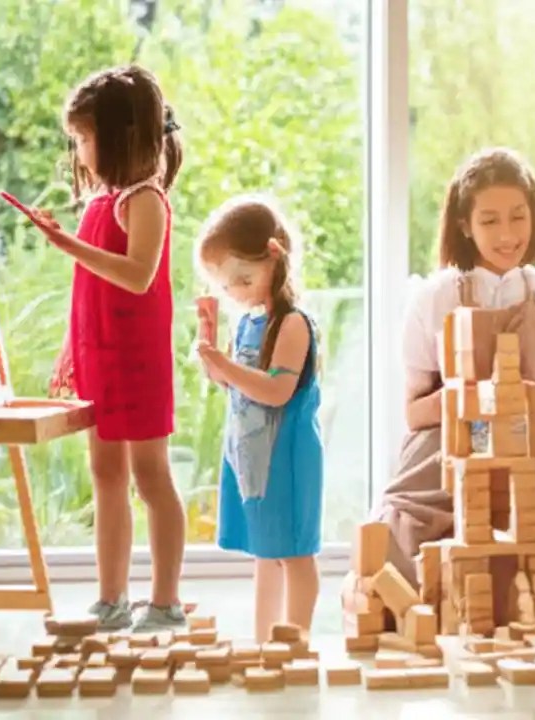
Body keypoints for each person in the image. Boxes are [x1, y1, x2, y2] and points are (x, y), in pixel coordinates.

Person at [21, 64, 187, 631]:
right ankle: (111, 597)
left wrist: (67, 245)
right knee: (106, 475)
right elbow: (89, 296)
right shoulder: (100, 200)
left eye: (86, 138)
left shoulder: (145, 201)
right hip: (102, 359)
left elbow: (138, 275)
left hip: (137, 363)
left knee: (150, 477)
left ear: (118, 138)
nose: (81, 149)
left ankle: (165, 602)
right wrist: (74, 352)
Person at [370, 147, 535, 587]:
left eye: (518, 216)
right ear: (465, 225)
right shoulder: (435, 297)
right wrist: (481, 397)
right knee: (402, 580)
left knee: (517, 596)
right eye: (490, 221)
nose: (507, 234)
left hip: (524, 470)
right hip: (441, 470)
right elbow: (413, 414)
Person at [194, 196, 324, 641]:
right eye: (227, 286)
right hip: (251, 458)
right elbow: (234, 386)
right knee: (264, 552)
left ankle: (296, 639)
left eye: (243, 280)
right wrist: (210, 353)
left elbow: (275, 390)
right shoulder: (249, 322)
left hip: (285, 460)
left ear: (274, 257)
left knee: (293, 551)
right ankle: (265, 638)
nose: (236, 292)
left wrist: (225, 366)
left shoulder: (292, 325)